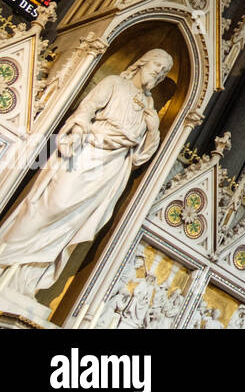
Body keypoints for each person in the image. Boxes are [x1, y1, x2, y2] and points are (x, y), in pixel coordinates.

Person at [0, 49, 173, 298]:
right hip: (88, 153)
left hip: (112, 170)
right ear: (143, 61)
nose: (159, 71)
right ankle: (5, 258)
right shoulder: (114, 83)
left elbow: (139, 158)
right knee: (52, 205)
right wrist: (80, 127)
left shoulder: (149, 108)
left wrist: (154, 130)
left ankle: (25, 282)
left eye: (164, 71)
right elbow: (87, 108)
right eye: (158, 64)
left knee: (73, 224)